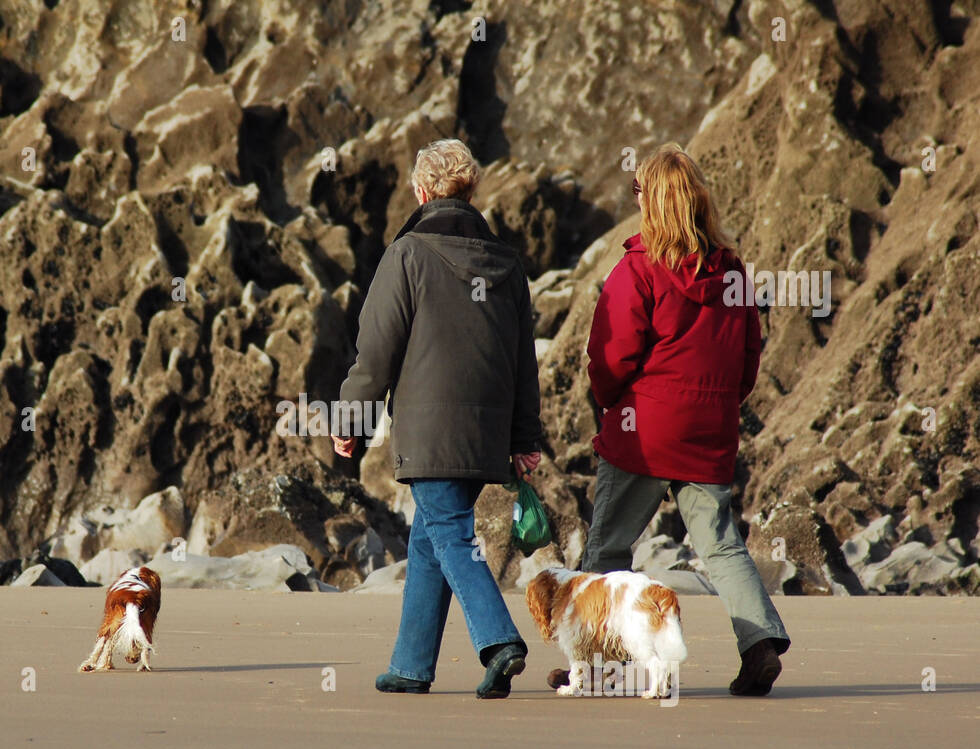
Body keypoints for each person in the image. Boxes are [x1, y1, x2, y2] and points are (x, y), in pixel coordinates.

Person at [332, 138, 544, 699]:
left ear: (422, 192)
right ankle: (410, 664)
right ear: (470, 191)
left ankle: (500, 641)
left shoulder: (407, 255)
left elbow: (375, 351)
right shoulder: (507, 263)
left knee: (449, 533)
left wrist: (350, 421)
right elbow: (525, 359)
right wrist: (524, 437)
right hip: (487, 432)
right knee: (430, 537)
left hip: (430, 431)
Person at [582, 142, 790, 696]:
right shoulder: (732, 272)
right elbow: (749, 357)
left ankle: (600, 665)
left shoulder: (637, 270)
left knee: (607, 549)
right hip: (708, 430)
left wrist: (610, 406)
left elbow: (610, 356)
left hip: (644, 432)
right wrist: (721, 403)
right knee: (721, 545)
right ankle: (760, 643)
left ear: (652, 203)